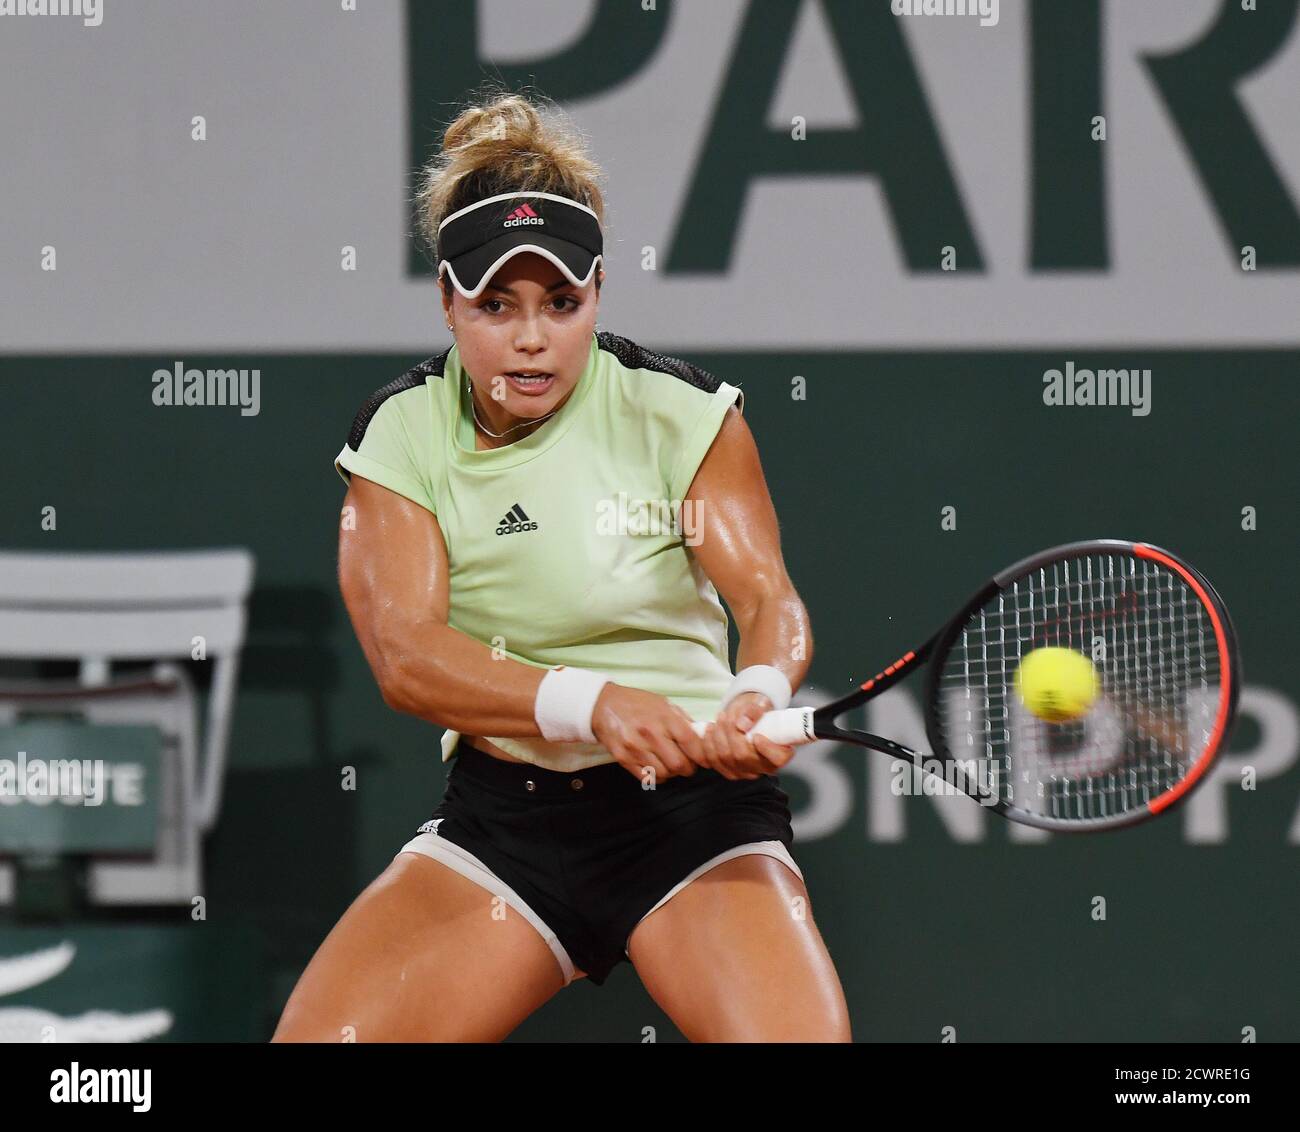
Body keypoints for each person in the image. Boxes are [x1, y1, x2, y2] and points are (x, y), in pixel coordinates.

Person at [272, 87, 850, 1043]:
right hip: (511, 825)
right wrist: (596, 703)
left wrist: (756, 684)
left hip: (693, 822)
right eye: (496, 303)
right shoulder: (402, 434)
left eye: (561, 303)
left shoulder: (681, 411)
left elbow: (766, 597)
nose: (531, 336)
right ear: (448, 303)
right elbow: (406, 658)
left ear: (598, 296)